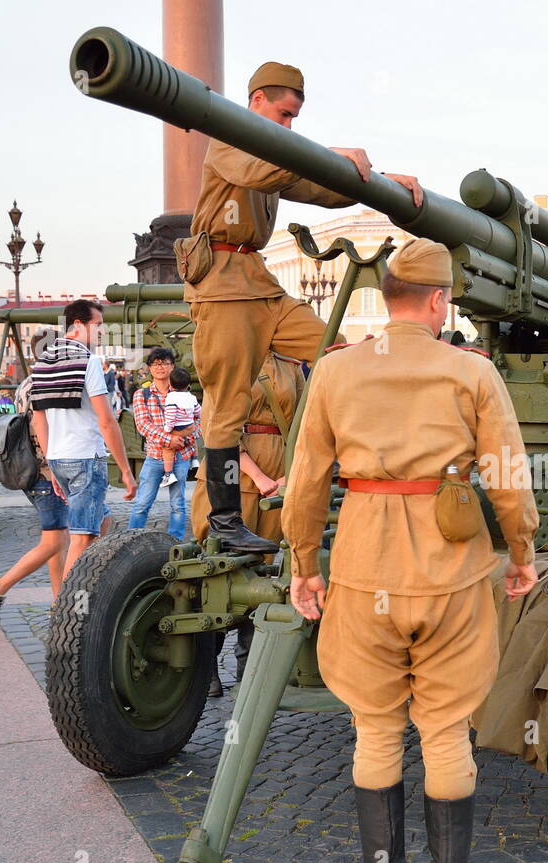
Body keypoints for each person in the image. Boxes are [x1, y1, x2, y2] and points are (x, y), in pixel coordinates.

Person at [285, 239, 539, 863]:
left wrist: (305, 563)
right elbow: (508, 475)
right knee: (445, 726)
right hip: (451, 570)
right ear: (438, 301)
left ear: (386, 296)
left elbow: (306, 479)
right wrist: (522, 551)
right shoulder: (470, 372)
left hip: (366, 567)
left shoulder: (336, 373)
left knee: (374, 725)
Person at [185, 60, 422, 554]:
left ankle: (366, 462)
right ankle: (226, 520)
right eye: (283, 114)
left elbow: (320, 187)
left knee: (335, 351)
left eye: (294, 119)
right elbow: (270, 165)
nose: (289, 127)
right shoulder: (229, 135)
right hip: (224, 286)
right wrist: (335, 154)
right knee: (227, 404)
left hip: (260, 284)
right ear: (256, 102)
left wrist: (380, 186)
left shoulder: (274, 153)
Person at [191, 348, 305, 693]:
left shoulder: (289, 365)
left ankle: (248, 670)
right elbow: (217, 429)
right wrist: (259, 478)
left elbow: (303, 422)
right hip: (229, 480)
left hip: (277, 479)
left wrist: (291, 474)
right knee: (214, 572)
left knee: (265, 571)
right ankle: (205, 671)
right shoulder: (227, 360)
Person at [29, 300, 137, 578]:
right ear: (78, 325)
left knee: (103, 524)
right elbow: (106, 420)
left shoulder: (42, 362)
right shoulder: (87, 362)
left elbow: (38, 419)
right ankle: (68, 611)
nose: (102, 332)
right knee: (82, 539)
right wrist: (125, 470)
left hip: (60, 458)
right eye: (98, 326)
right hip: (85, 458)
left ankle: (95, 587)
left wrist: (52, 463)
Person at [0, 343, 77, 627]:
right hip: (46, 473)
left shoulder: (27, 383)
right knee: (56, 540)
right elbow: (44, 431)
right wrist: (57, 471)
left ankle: (59, 602)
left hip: (32, 470)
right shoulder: (46, 385)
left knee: (58, 538)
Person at [128, 348, 198, 541]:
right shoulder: (142, 395)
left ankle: (175, 542)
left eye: (165, 363)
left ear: (172, 366)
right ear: (150, 368)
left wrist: (185, 438)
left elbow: (197, 420)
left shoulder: (184, 393)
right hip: (154, 457)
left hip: (181, 457)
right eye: (156, 363)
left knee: (178, 505)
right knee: (142, 503)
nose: (160, 367)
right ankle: (130, 540)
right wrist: (170, 440)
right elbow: (143, 425)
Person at [159, 368, 201, 487]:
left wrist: (167, 431)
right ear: (188, 385)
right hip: (190, 426)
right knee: (192, 440)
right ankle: (195, 460)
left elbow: (171, 418)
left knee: (167, 448)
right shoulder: (191, 397)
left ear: (170, 385)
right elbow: (199, 412)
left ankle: (168, 475)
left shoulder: (171, 398)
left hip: (177, 428)